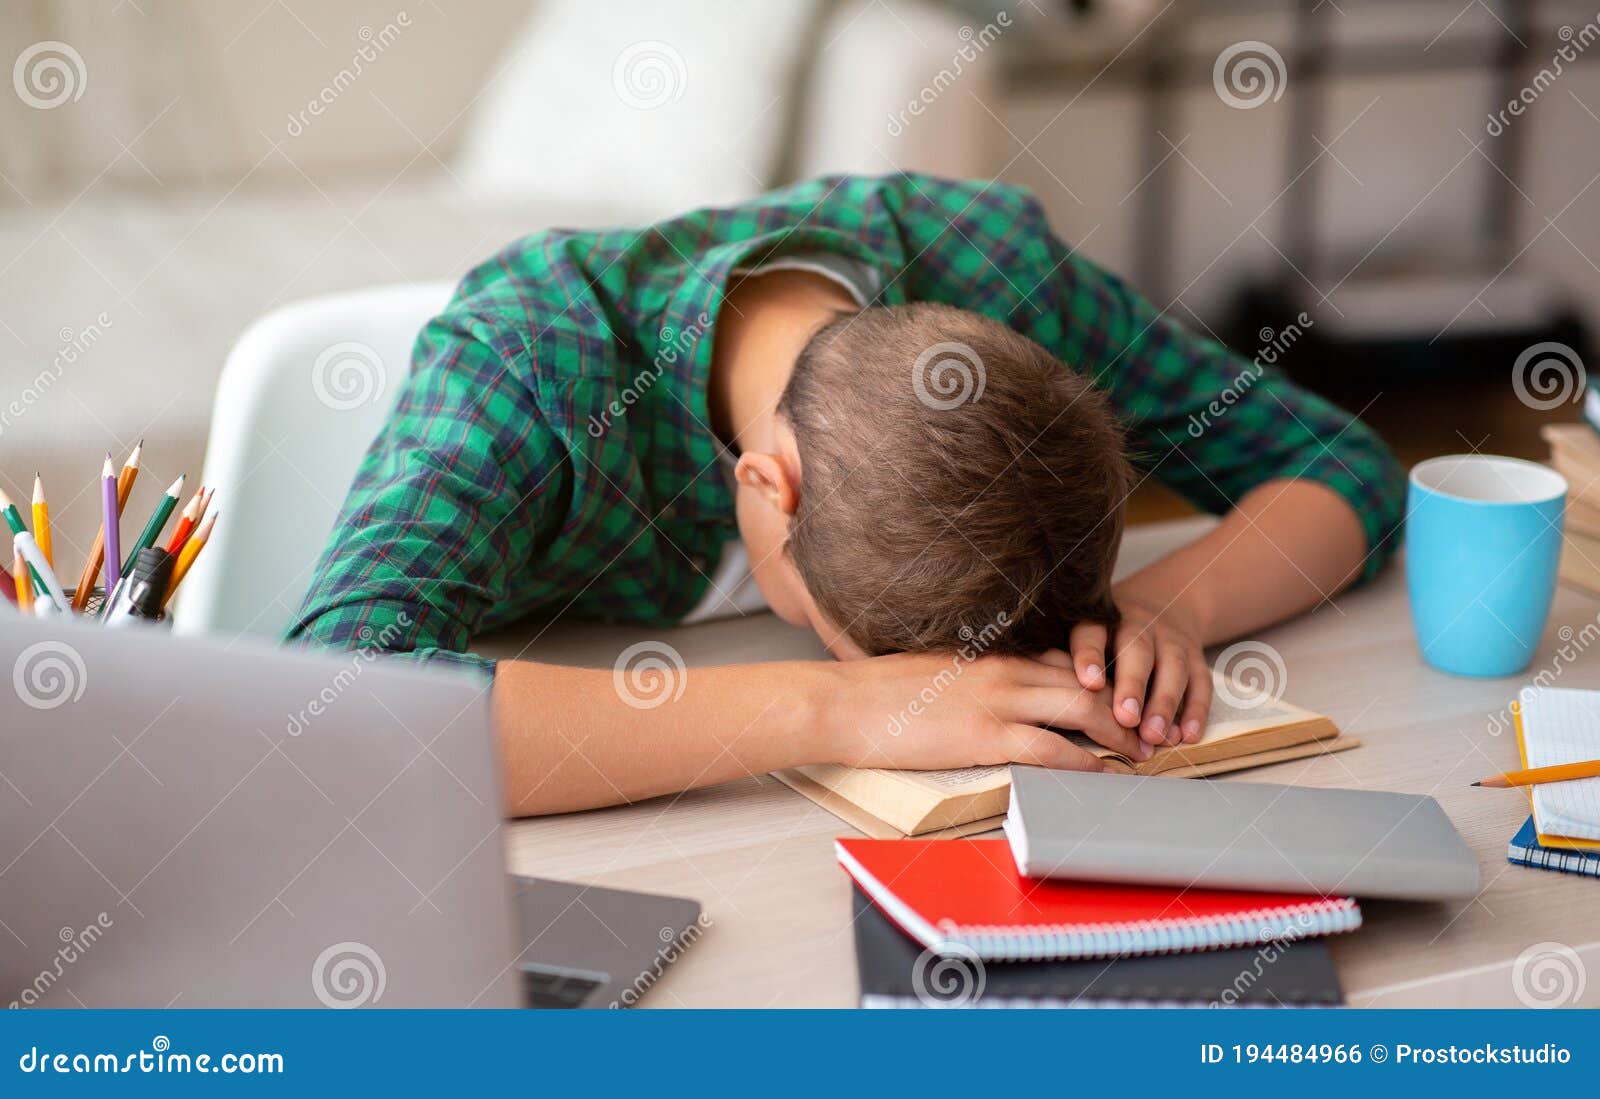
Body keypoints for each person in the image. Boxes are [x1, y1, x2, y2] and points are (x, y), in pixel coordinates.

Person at [287, 173, 1404, 815]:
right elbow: (334, 710)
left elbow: (1345, 466)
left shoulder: (1004, 278)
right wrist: (841, 706)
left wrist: (1167, 607)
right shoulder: (529, 366)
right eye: (875, 655)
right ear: (765, 487)